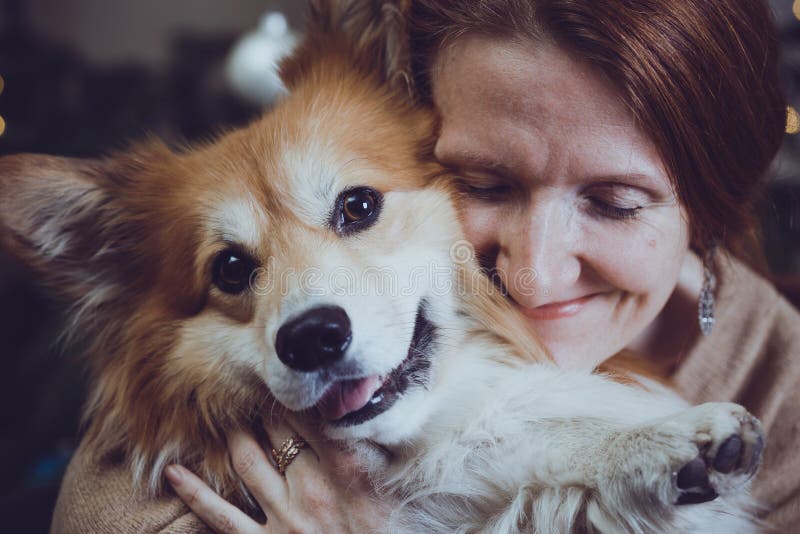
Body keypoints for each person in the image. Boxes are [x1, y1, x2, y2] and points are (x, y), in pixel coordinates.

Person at [52, 0, 800, 532]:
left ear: (705, 207)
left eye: (614, 201)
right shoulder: (156, 485)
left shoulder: (778, 370)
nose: (534, 275)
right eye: (485, 184)